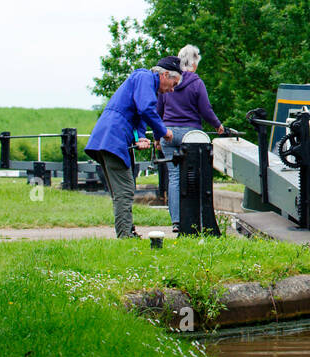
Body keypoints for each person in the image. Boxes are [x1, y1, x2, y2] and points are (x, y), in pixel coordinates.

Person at [86, 58, 179, 238]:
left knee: (123, 188)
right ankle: (125, 236)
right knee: (125, 190)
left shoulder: (143, 82)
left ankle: (127, 231)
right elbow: (146, 109)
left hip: (107, 137)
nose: (172, 89)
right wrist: (163, 131)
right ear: (165, 75)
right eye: (173, 84)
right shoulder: (145, 77)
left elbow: (139, 114)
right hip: (113, 138)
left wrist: (141, 137)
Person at [158, 44, 225, 231]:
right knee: (195, 177)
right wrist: (218, 126)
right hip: (191, 135)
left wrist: (157, 137)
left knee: (174, 177)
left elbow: (158, 110)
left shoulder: (170, 79)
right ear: (194, 63)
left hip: (168, 133)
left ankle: (177, 222)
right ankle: (195, 219)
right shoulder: (196, 83)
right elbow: (206, 110)